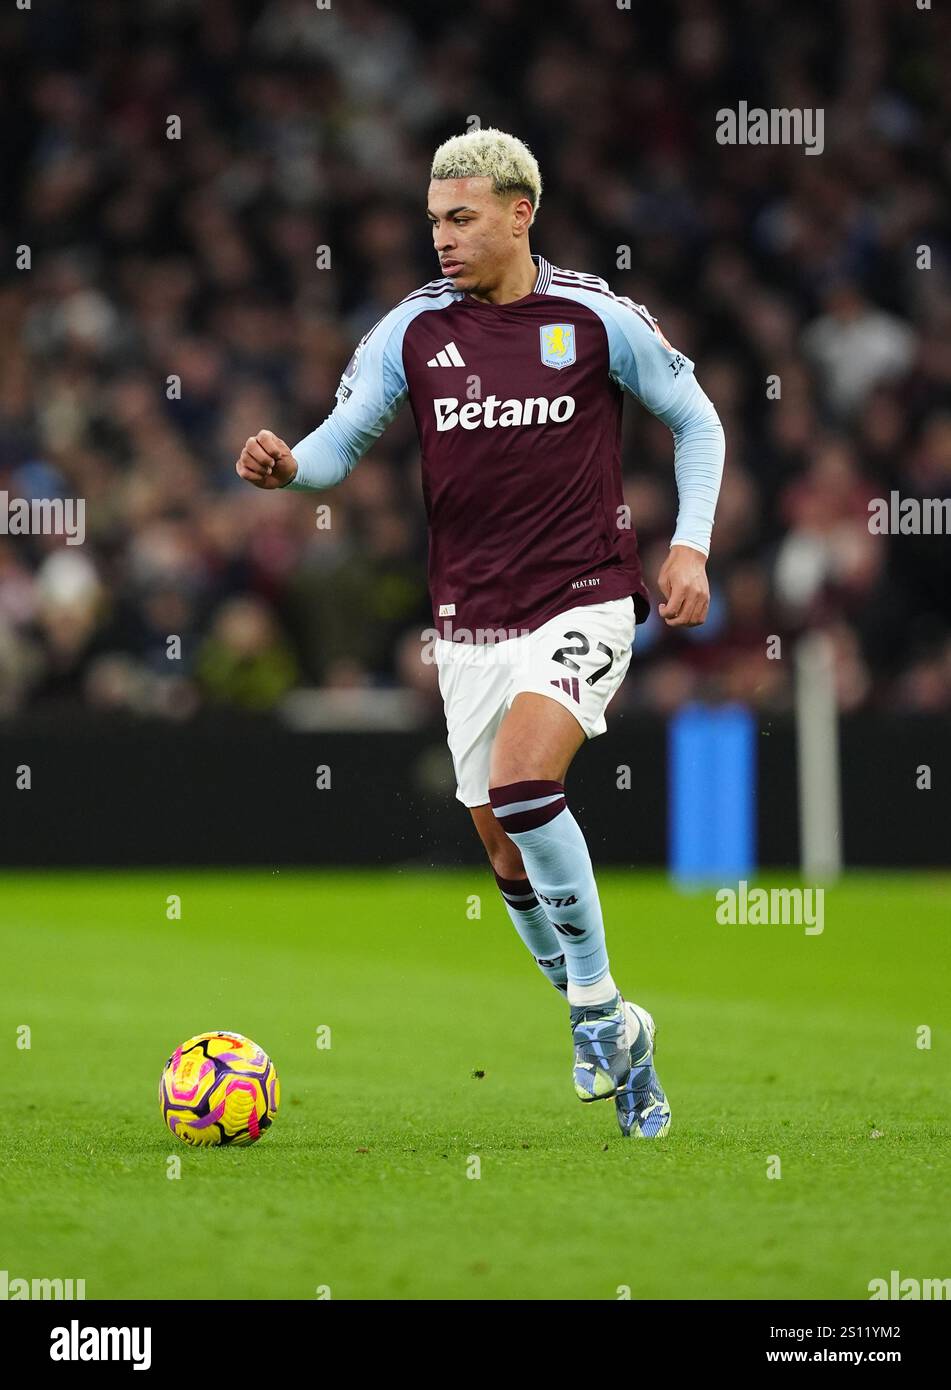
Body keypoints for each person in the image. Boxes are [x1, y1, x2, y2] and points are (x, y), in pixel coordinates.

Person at [236, 128, 726, 1138]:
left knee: (525, 783)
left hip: (585, 594)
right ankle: (624, 1035)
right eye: (432, 222)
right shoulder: (411, 331)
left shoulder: (595, 317)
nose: (443, 240)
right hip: (467, 626)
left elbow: (699, 419)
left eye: (461, 220)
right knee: (504, 853)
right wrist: (291, 467)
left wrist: (691, 548)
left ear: (520, 214)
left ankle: (594, 1011)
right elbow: (342, 442)